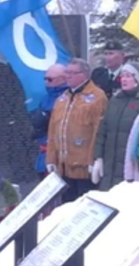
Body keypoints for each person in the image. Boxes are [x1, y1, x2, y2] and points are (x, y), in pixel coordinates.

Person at [46, 58, 108, 203]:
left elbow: (98, 131)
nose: (68, 76)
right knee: (65, 208)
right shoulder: (63, 98)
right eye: (67, 72)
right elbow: (53, 130)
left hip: (84, 169)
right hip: (64, 167)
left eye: (72, 73)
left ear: (84, 75)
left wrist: (94, 160)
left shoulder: (97, 97)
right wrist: (51, 158)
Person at [92, 62, 139, 191]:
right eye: (122, 76)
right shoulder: (115, 100)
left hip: (132, 165)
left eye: (128, 76)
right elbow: (103, 129)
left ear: (138, 79)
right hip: (110, 164)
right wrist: (98, 157)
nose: (123, 79)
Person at [29, 64, 69, 180]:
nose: (46, 82)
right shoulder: (46, 97)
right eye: (45, 78)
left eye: (50, 79)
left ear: (62, 79)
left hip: (59, 153)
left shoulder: (68, 96)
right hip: (44, 150)